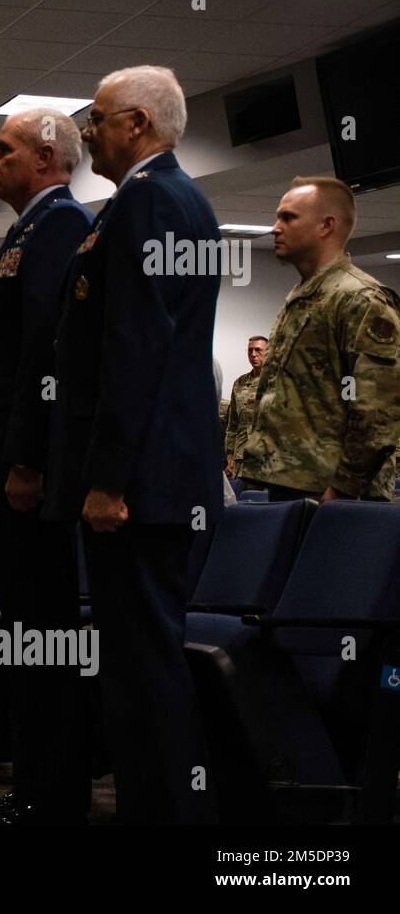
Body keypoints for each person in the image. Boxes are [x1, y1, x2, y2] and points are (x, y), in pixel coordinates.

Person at [45, 65, 220, 823]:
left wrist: (109, 477)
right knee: (139, 665)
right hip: (160, 475)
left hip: (144, 482)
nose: (88, 133)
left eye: (99, 119)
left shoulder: (148, 199)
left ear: (138, 124)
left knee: (143, 670)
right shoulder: (167, 198)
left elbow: (137, 347)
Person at [0, 108, 93, 825]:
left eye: (3, 150)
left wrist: (27, 459)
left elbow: (47, 351)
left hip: (26, 474)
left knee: (43, 635)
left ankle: (53, 797)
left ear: (45, 157)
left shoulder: (63, 224)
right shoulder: (23, 231)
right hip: (1, 464)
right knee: (25, 633)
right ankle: (37, 786)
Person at [237, 177, 400, 502]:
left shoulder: (360, 299)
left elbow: (378, 408)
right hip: (292, 482)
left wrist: (342, 487)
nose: (275, 228)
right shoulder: (302, 295)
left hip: (335, 494)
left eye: (288, 217)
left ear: (326, 226)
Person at [224, 337, 267, 476]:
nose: (253, 354)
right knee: (240, 496)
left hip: (267, 457)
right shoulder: (240, 383)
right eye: (250, 350)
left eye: (258, 350)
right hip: (241, 456)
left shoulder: (277, 381)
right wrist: (230, 456)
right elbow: (233, 425)